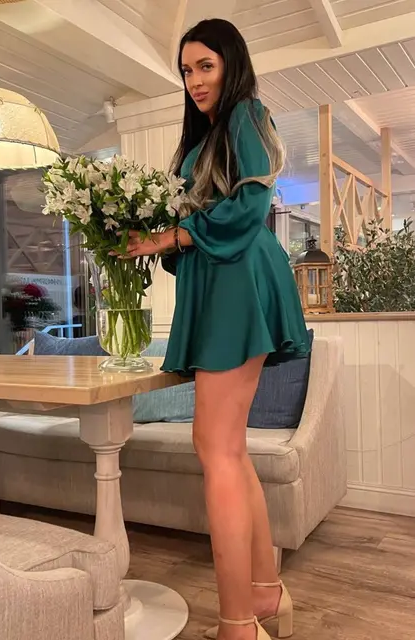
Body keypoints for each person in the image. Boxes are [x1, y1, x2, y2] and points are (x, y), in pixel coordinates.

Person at [121, 18, 310, 640]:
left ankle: (238, 624)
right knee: (226, 448)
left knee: (216, 446)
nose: (194, 80)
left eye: (205, 65)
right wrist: (160, 236)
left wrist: (172, 236)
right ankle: (262, 596)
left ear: (232, 64)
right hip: (224, 279)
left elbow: (249, 207)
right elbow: (206, 220)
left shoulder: (247, 114)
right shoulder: (207, 137)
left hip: (237, 280)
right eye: (186, 70)